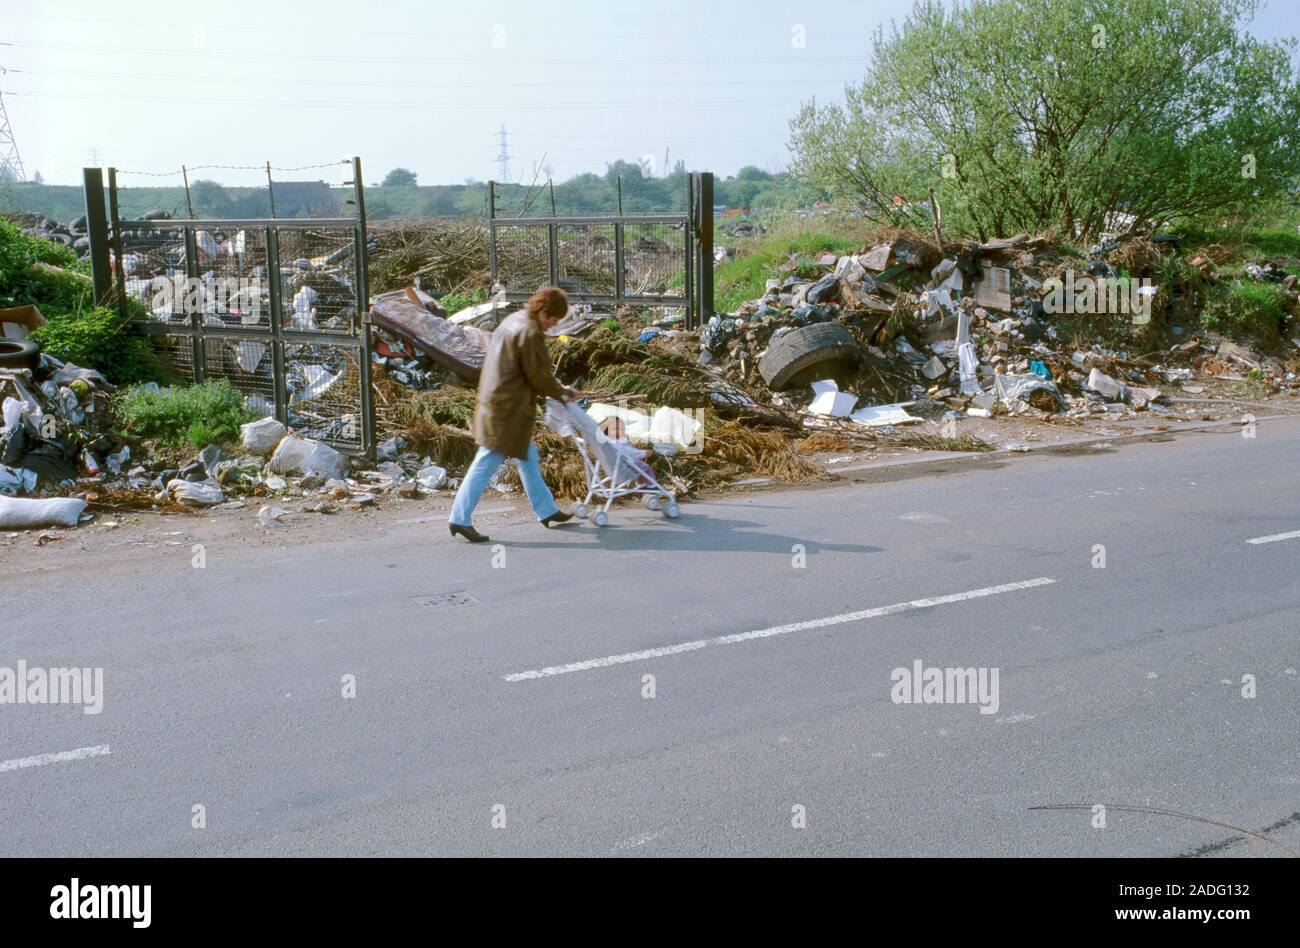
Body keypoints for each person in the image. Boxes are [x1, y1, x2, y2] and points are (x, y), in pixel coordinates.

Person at [448, 285, 578, 542]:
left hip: (498, 402)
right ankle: (459, 518)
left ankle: (546, 510)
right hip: (507, 409)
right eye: (552, 319)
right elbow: (538, 376)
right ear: (543, 312)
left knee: (529, 456)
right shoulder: (529, 333)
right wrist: (563, 392)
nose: (553, 325)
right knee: (486, 461)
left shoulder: (514, 320)